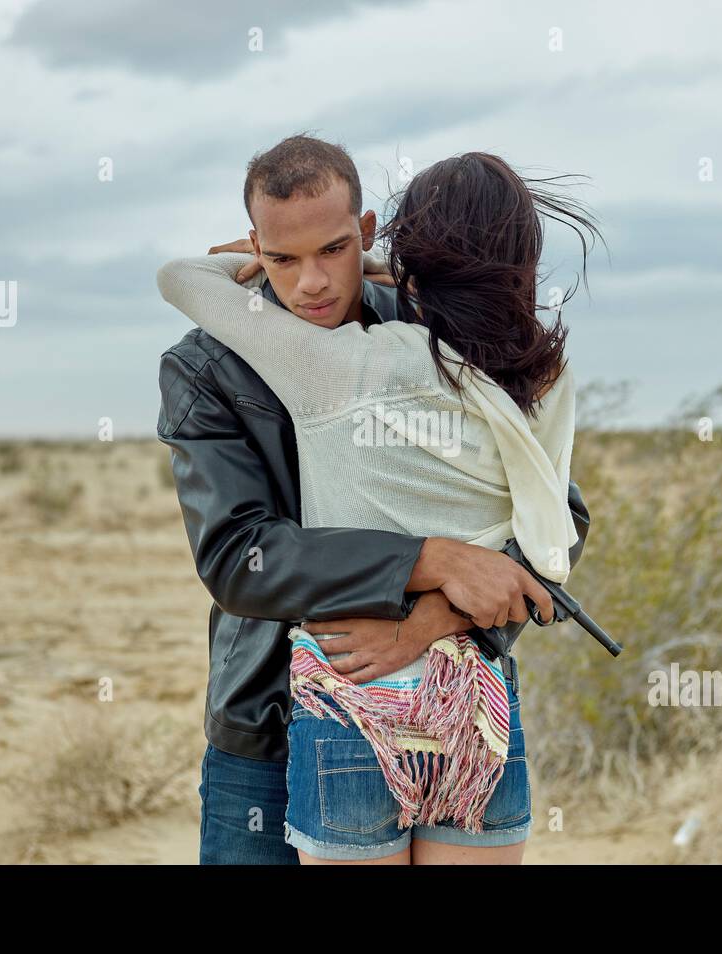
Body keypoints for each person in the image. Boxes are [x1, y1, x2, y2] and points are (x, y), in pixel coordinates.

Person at [157, 136, 601, 864]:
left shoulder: (432, 319)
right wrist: (429, 559)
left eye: (332, 251)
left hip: (457, 693)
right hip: (263, 717)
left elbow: (559, 513)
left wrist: (436, 614)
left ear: (365, 235)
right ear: (256, 248)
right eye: (282, 258)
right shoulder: (204, 366)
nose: (310, 285)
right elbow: (240, 560)